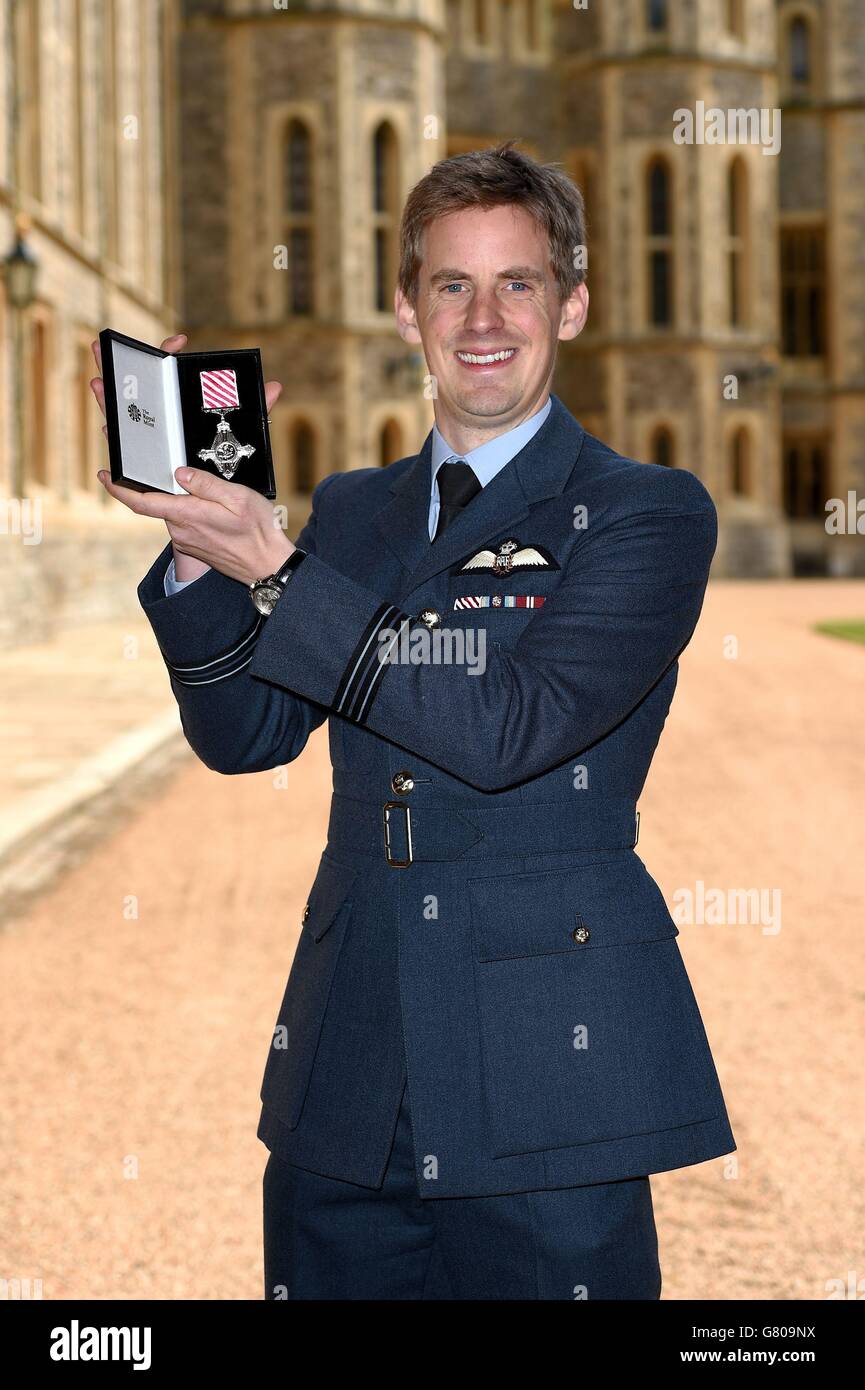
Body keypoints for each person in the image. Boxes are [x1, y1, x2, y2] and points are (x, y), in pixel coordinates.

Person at [91, 141, 735, 1300]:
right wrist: (199, 555)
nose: (482, 318)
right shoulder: (348, 508)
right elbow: (244, 736)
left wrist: (279, 570)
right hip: (349, 1059)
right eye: (450, 284)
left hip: (550, 1066)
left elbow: (508, 728)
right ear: (405, 310)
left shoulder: (645, 513)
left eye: (518, 283)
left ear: (571, 305)